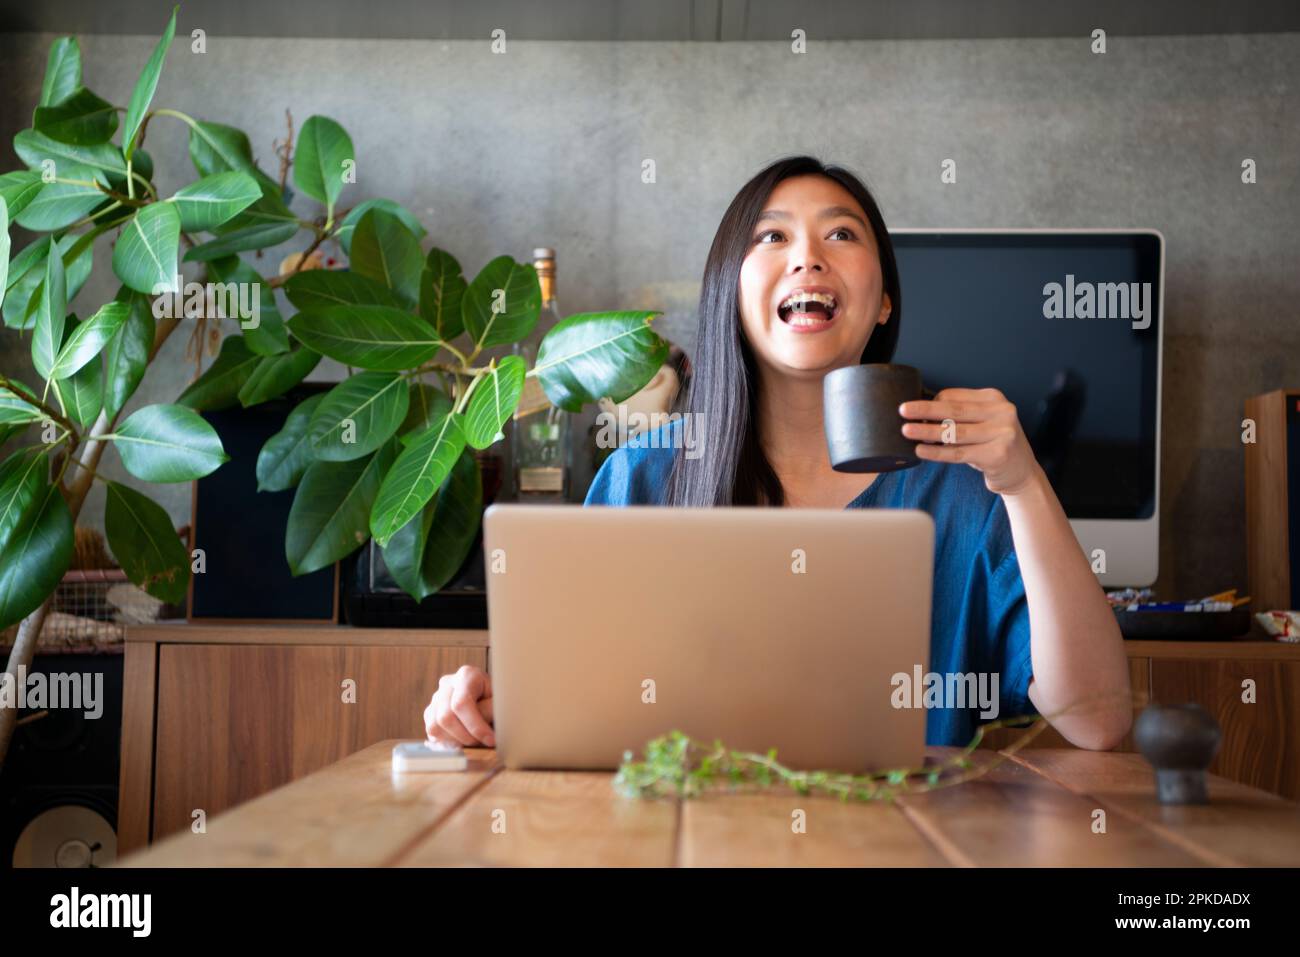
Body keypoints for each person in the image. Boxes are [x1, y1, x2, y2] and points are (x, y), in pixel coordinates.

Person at [425, 155, 1132, 752]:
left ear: (883, 299)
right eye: (772, 237)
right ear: (729, 290)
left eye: (842, 234)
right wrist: (477, 704)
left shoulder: (969, 490)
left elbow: (1096, 718)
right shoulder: (639, 477)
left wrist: (1026, 483)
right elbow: (555, 706)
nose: (807, 256)